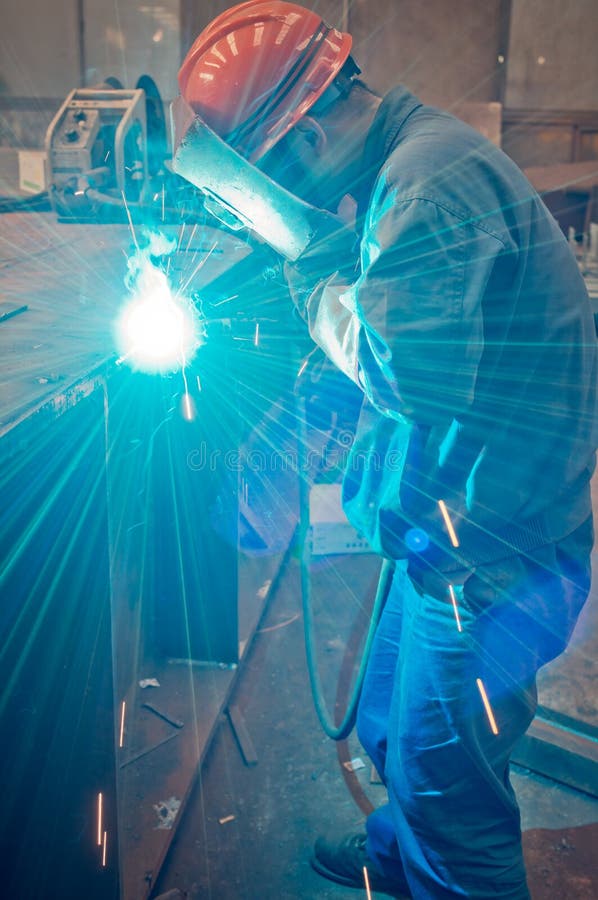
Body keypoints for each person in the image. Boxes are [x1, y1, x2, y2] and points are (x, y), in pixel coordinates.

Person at [174, 3, 597, 897]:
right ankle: (395, 861)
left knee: (452, 797)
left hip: (492, 561)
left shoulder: (430, 187)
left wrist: (305, 260)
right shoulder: (409, 166)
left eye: (268, 189)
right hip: (449, 535)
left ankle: (439, 865)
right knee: (386, 726)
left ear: (312, 131)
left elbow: (399, 369)